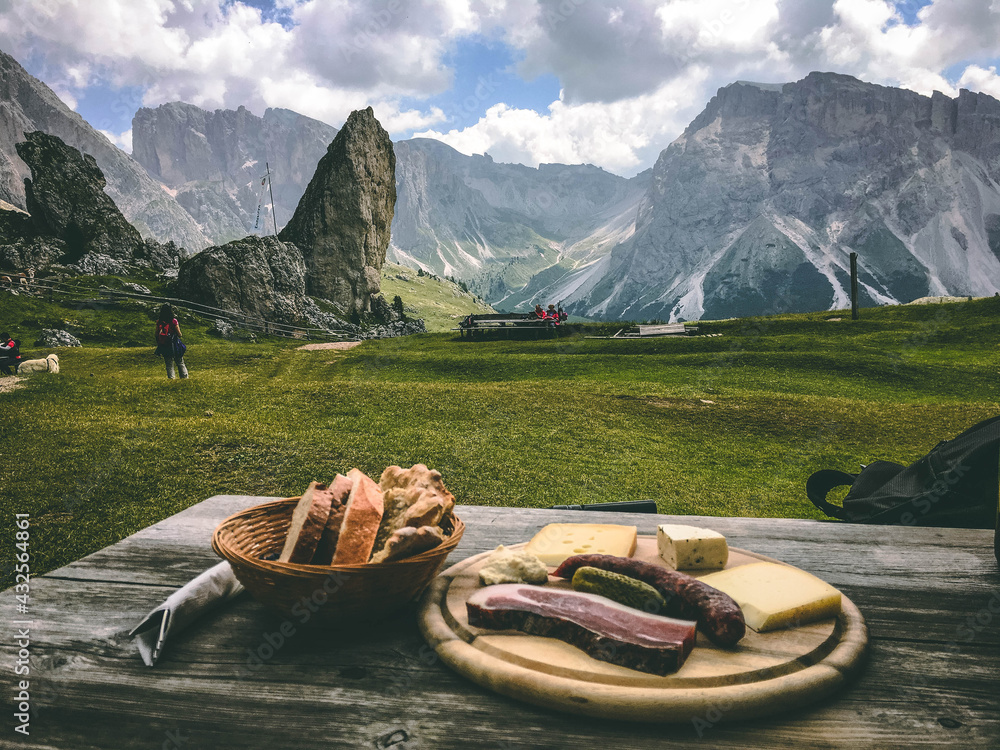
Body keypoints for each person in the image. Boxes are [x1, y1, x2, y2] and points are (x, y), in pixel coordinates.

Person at [155, 304, 188, 379]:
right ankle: (184, 377)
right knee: (180, 362)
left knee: (169, 363)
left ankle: (171, 378)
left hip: (165, 344)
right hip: (174, 344)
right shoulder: (173, 321)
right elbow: (179, 334)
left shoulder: (159, 321)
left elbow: (156, 334)